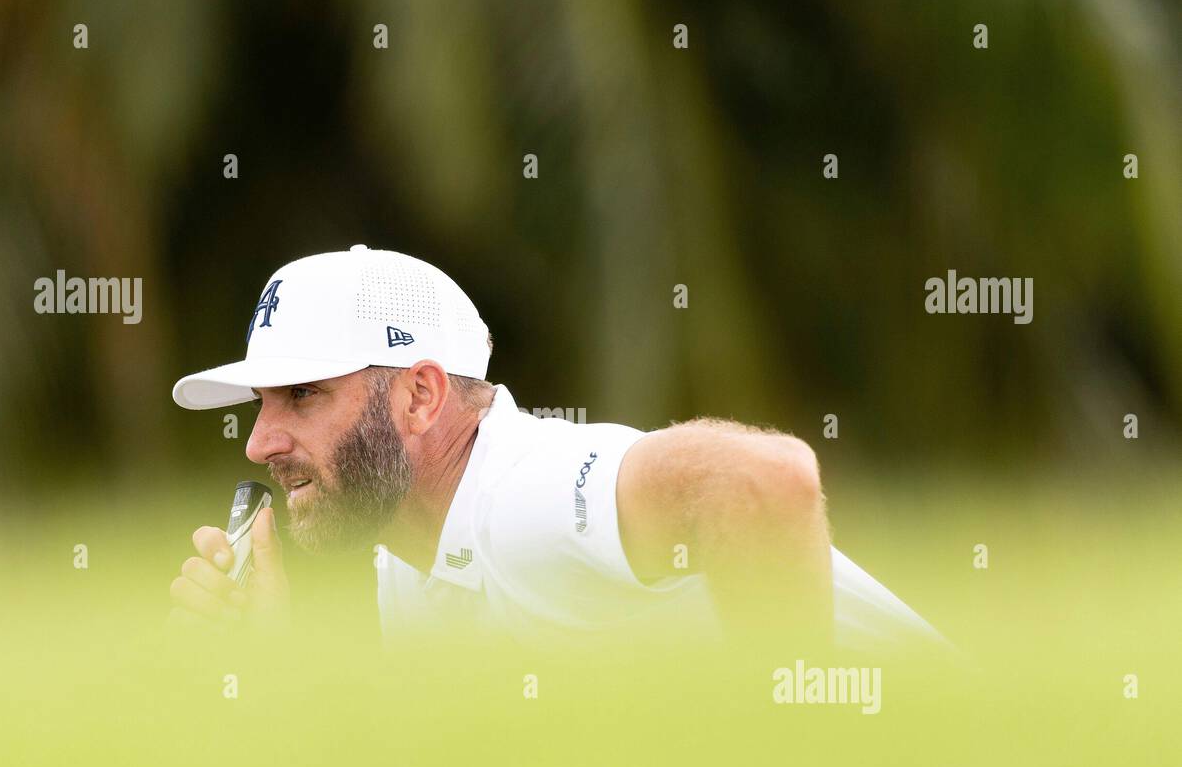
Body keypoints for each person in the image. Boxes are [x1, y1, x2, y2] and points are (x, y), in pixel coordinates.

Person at [169, 245, 949, 657]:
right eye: (260, 402)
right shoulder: (406, 565)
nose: (260, 441)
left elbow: (767, 478)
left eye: (301, 395)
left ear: (420, 396)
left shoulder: (521, 495)